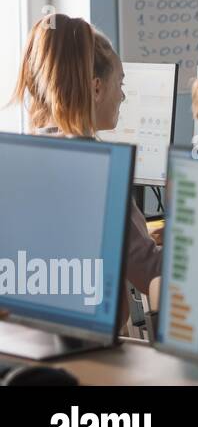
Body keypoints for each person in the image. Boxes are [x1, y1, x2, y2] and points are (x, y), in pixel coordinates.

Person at [9, 15, 163, 298]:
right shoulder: (98, 170)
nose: (123, 96)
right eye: (120, 83)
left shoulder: (21, 155)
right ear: (96, 88)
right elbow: (151, 274)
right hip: (81, 338)